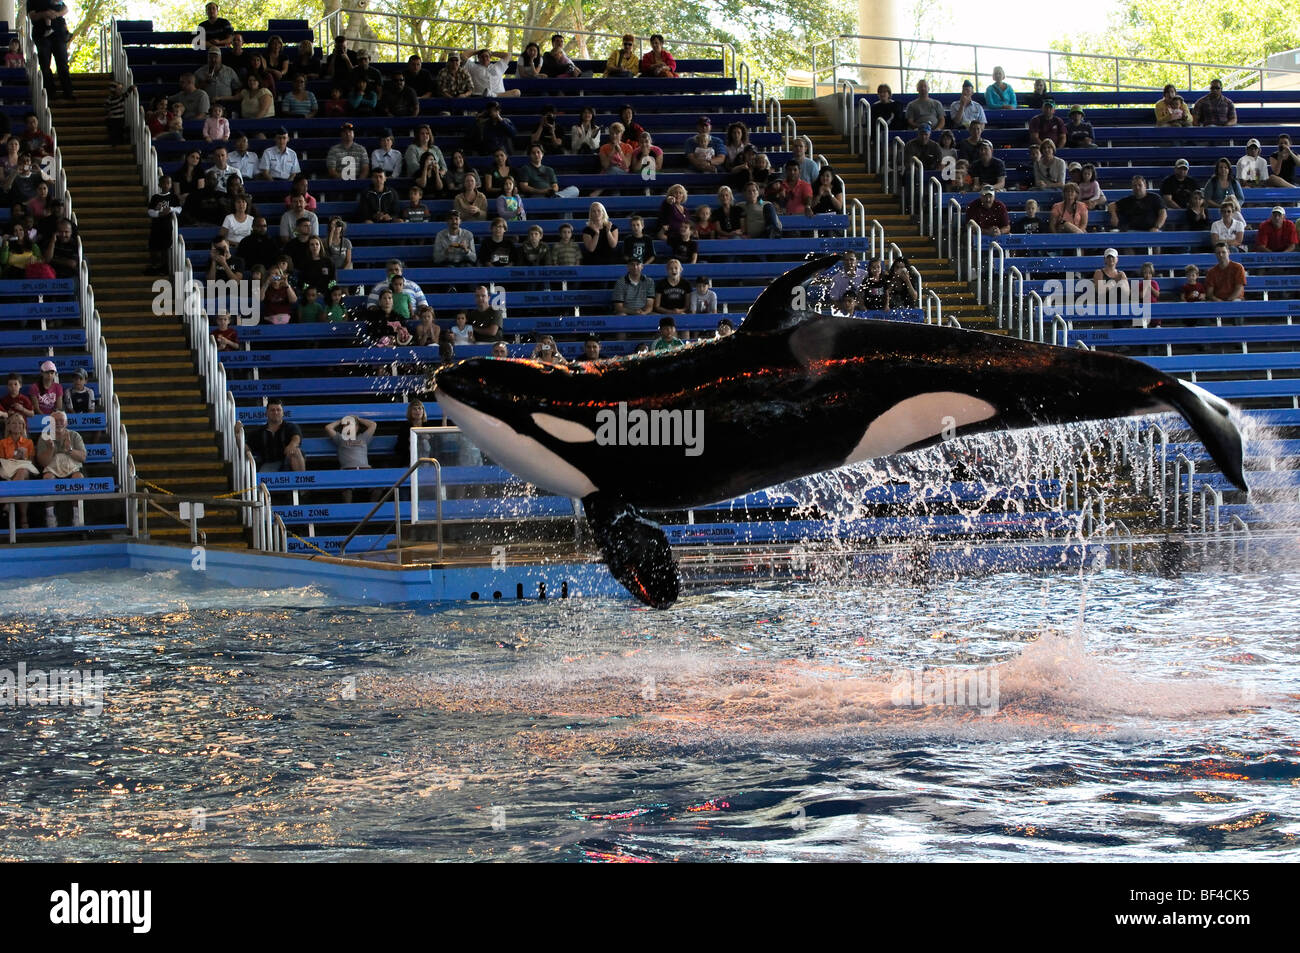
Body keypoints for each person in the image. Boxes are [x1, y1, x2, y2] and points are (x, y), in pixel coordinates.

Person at [240, 399, 304, 472]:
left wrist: (292, 444)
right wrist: (238, 435)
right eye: (272, 410)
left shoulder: (290, 426)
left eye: (278, 410)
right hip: (268, 464)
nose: (275, 412)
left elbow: (296, 437)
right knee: (263, 476)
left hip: (288, 462)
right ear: (267, 413)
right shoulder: (259, 432)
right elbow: (247, 447)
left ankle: (301, 481)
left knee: (296, 451)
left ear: (283, 413)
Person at [30, 0, 75, 100]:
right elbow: (32, 15)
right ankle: (50, 93)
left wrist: (57, 14)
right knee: (45, 64)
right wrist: (44, 14)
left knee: (63, 64)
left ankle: (68, 92)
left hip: (59, 34)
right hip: (41, 35)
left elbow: (65, 8)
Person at [0, 412, 38, 524]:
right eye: (13, 423)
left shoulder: (28, 442)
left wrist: (24, 456)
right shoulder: (2, 443)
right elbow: (2, 463)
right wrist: (16, 457)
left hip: (24, 470)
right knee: (22, 484)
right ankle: (23, 518)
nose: (17, 425)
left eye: (20, 423)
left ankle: (7, 502)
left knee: (22, 471)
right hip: (7, 471)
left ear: (23, 427)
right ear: (9, 426)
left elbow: (32, 463)